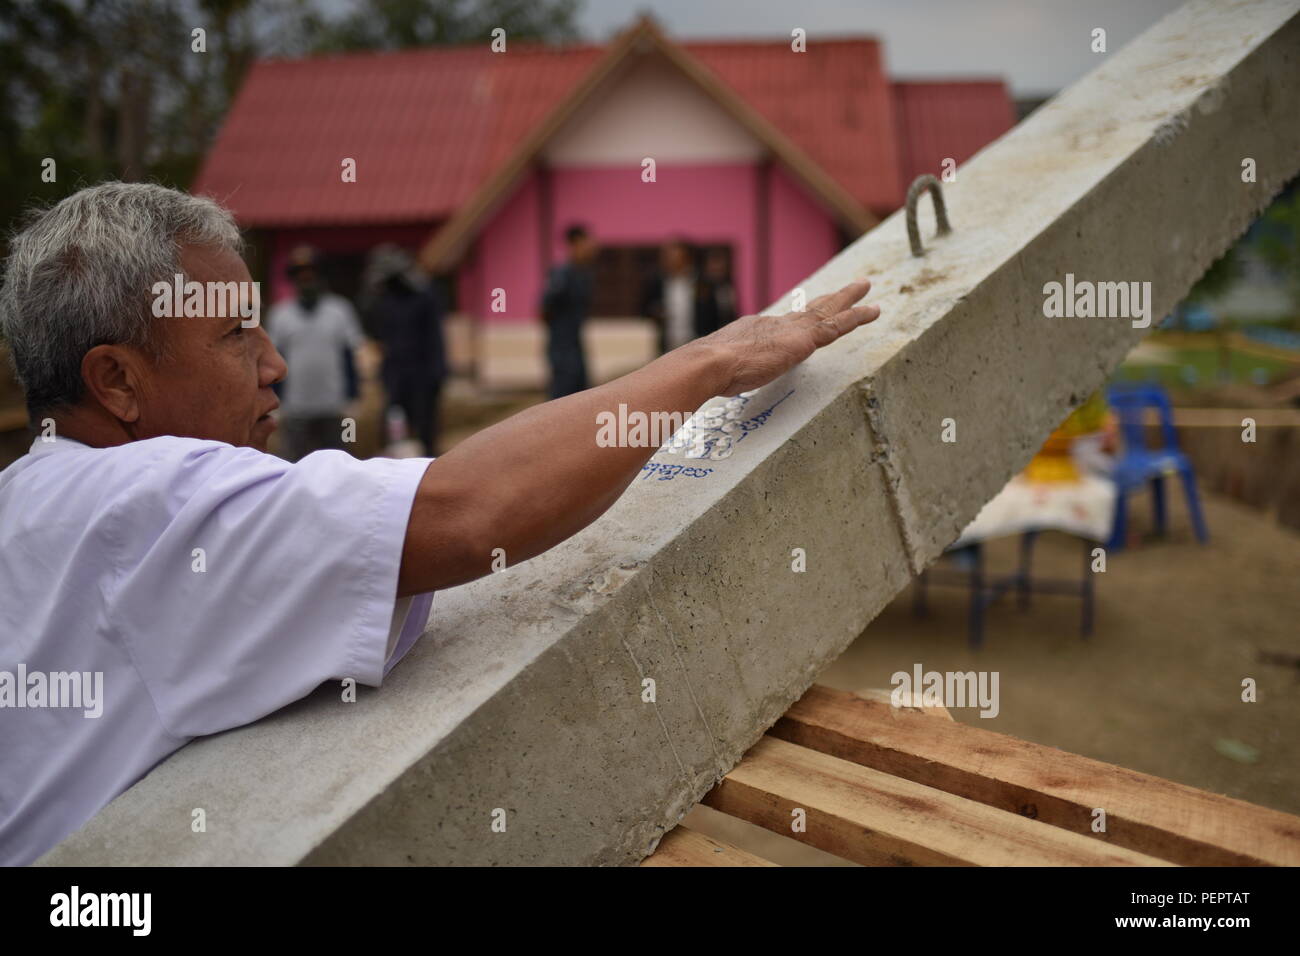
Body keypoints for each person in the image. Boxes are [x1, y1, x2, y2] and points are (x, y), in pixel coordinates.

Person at [0, 182, 879, 865]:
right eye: (233, 338)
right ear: (116, 381)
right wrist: (714, 362)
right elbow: (471, 511)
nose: (272, 365)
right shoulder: (151, 501)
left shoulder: (30, 497)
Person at [267, 246, 365, 460]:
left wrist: (353, 396)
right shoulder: (280, 315)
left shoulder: (341, 310)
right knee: (293, 463)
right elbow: (275, 362)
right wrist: (276, 401)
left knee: (345, 458)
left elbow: (350, 356)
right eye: (300, 275)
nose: (307, 279)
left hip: (337, 408)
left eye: (311, 274)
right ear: (293, 280)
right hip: (295, 408)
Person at [364, 245, 447, 456]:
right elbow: (374, 328)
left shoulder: (424, 295)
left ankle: (429, 462)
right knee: (394, 419)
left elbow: (435, 336)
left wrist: (438, 371)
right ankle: (394, 461)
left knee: (425, 422)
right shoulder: (382, 299)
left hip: (423, 370)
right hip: (394, 370)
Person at [541, 224, 596, 399]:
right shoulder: (562, 275)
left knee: (581, 395)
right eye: (587, 242)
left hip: (576, 343)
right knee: (561, 397)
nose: (592, 247)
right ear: (576, 243)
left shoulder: (584, 274)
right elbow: (544, 308)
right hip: (562, 347)